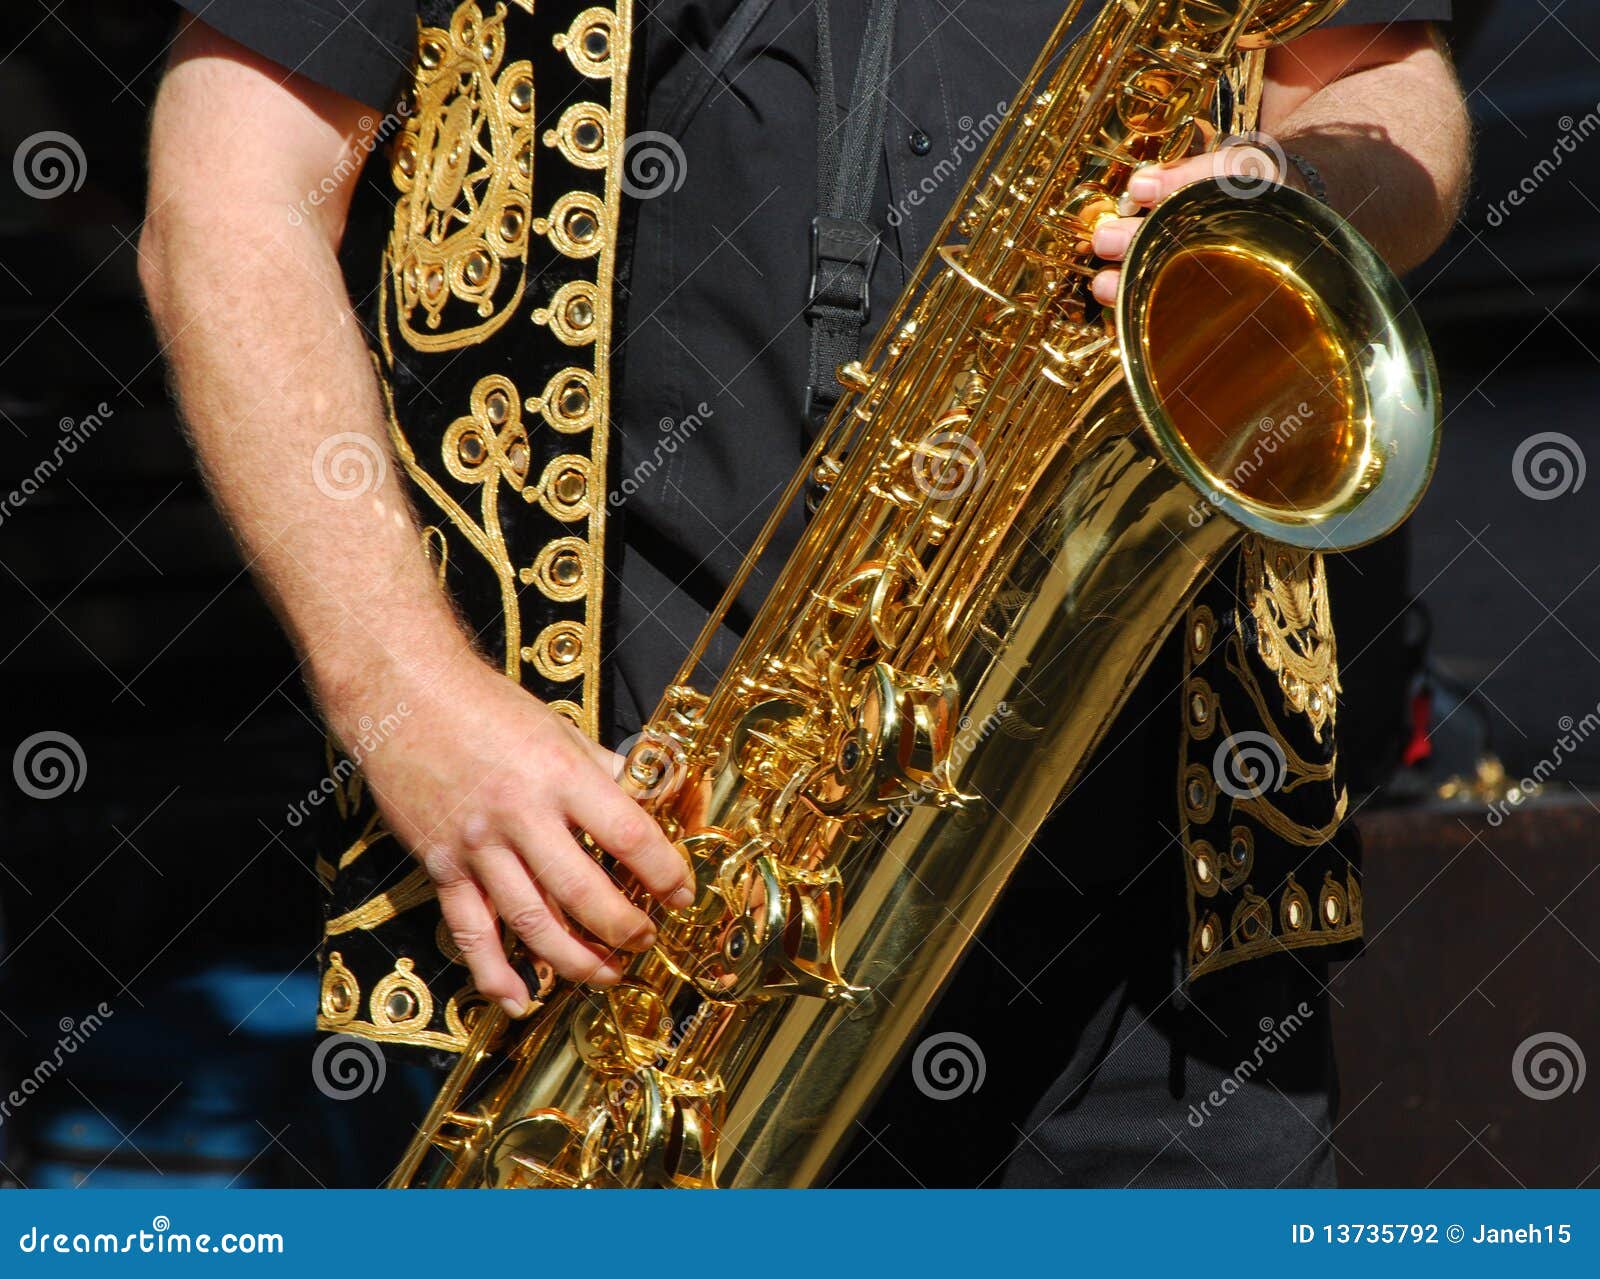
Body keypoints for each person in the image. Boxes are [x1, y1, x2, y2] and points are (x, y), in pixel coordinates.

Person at [139, 0, 1468, 1186]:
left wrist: (1287, 191)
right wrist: (406, 696)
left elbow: (1383, 78)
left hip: (1157, 927)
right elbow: (231, 194)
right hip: (638, 920)